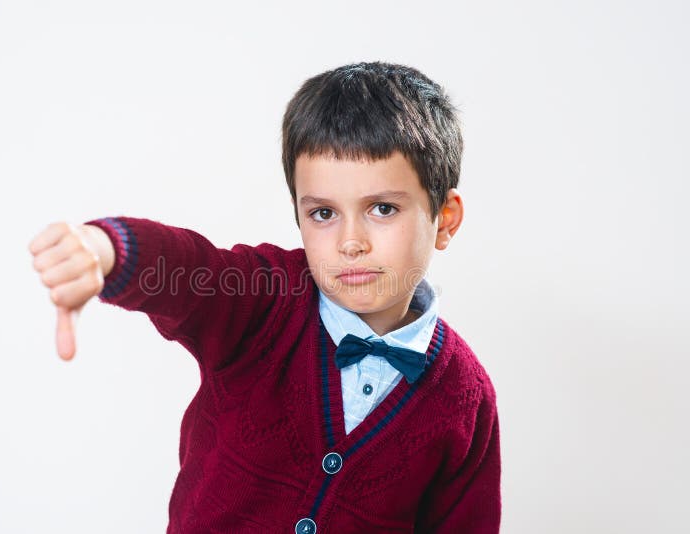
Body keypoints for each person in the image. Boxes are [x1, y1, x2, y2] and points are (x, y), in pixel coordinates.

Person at [29, 61, 501, 533]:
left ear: (445, 218)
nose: (350, 242)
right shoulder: (263, 300)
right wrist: (106, 250)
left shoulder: (467, 396)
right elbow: (188, 269)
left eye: (382, 208)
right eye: (323, 214)